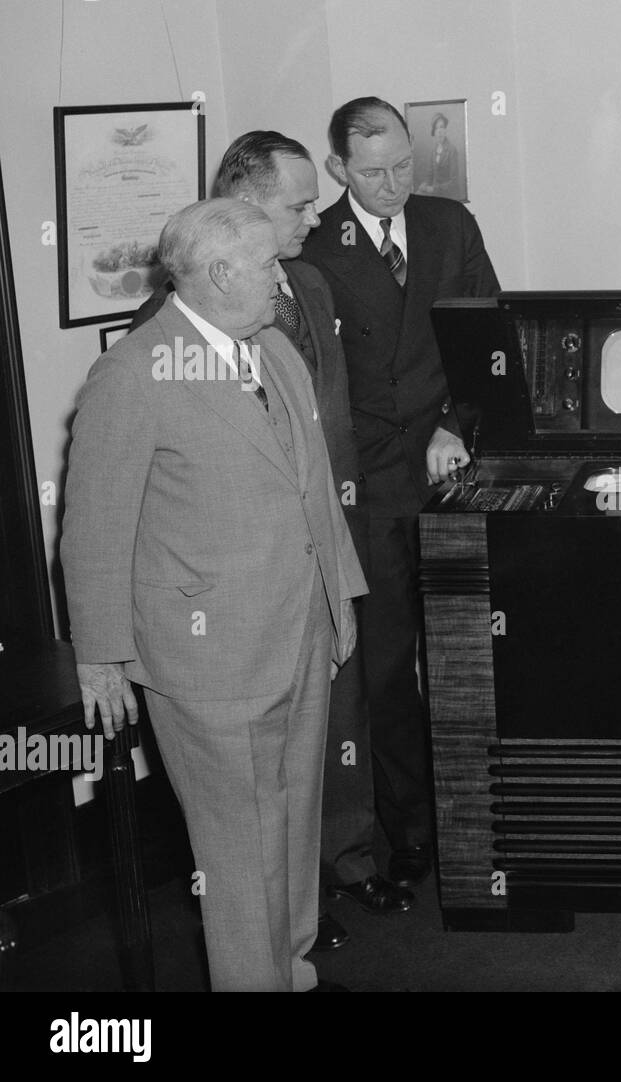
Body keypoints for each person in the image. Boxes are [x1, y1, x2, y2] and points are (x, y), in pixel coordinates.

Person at [63, 198, 368, 991]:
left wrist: (343, 598)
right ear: (223, 273)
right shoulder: (132, 374)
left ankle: (291, 968)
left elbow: (313, 492)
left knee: (294, 820)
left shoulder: (273, 350)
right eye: (271, 266)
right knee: (238, 849)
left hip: (298, 627)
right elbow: (94, 525)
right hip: (207, 656)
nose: (284, 280)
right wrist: (100, 658)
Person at [130, 132, 414, 955]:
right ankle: (279, 926)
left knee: (340, 716)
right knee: (253, 795)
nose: (314, 215)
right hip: (235, 599)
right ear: (241, 212)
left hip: (324, 539)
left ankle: (343, 860)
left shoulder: (309, 285)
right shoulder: (168, 333)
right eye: (297, 203)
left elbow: (329, 416)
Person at [300, 97, 501, 889]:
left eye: (403, 168)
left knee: (468, 657)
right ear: (339, 169)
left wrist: (455, 423)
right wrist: (391, 453)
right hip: (371, 488)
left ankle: (476, 820)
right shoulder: (312, 247)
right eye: (373, 172)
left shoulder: (452, 226)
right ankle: (410, 828)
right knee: (386, 670)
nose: (391, 186)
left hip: (455, 477)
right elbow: (321, 386)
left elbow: (486, 339)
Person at [418, 112, 460, 199]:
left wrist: (434, 189)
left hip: (446, 194)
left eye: (442, 127)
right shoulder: (433, 150)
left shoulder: (452, 150)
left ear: (445, 130)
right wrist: (425, 184)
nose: (439, 131)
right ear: (434, 132)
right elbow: (430, 175)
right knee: (416, 195)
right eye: (436, 128)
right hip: (433, 192)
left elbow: (454, 182)